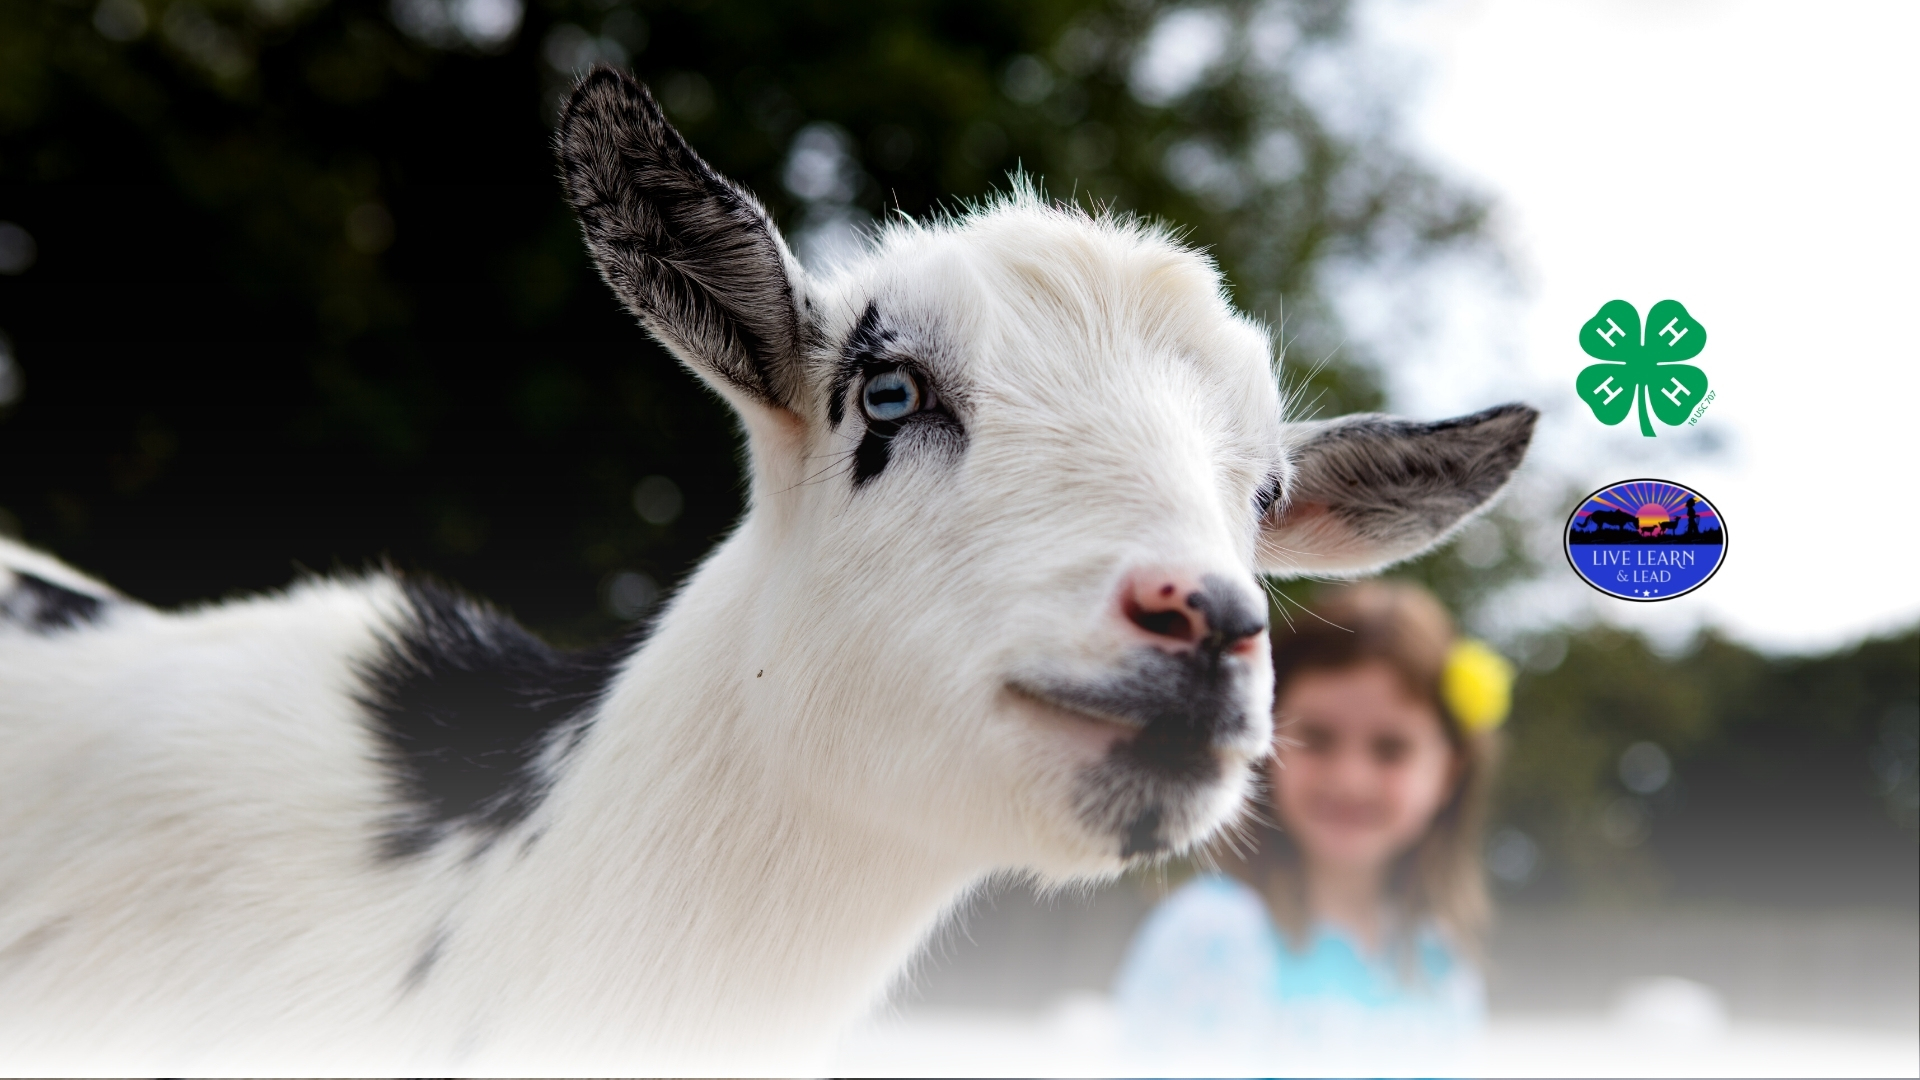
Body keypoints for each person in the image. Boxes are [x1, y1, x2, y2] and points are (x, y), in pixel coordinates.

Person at [1112, 581, 1513, 1066]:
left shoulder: (1439, 958)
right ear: (1263, 738)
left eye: (1391, 749)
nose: (1350, 780)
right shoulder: (1211, 933)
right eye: (1317, 739)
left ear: (1448, 772)